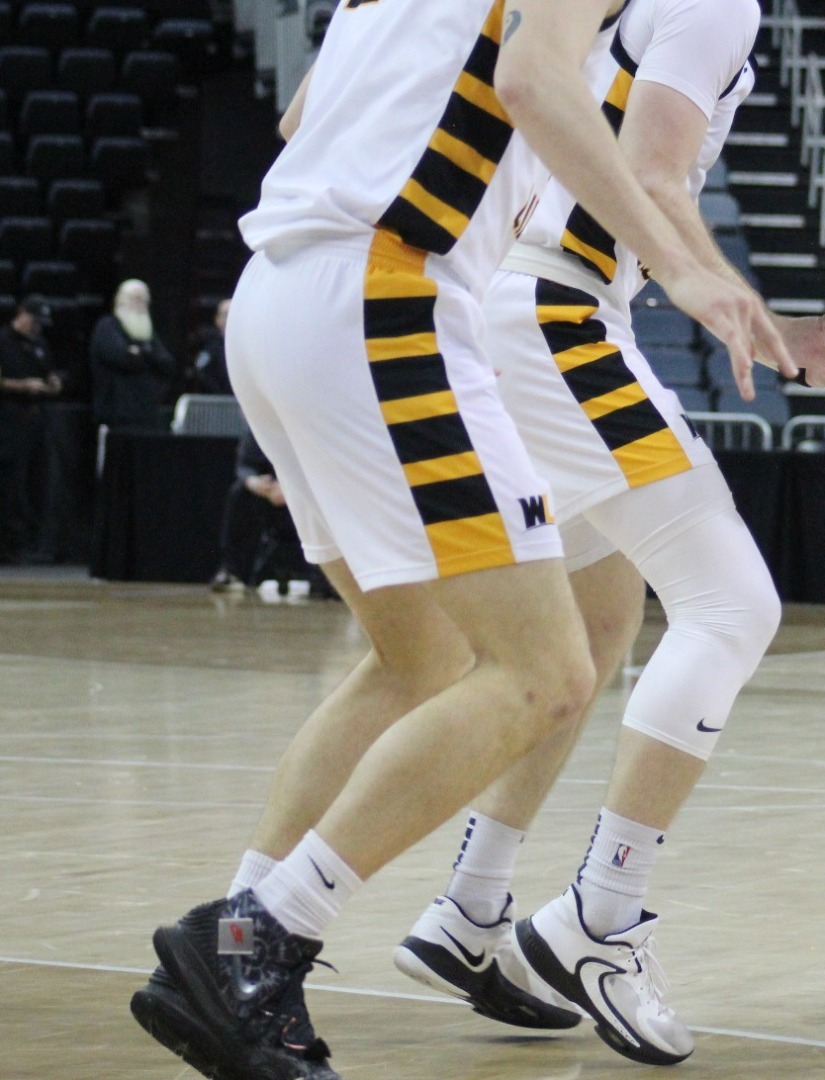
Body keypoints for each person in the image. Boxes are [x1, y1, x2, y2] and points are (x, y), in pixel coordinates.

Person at [127, 2, 790, 1078]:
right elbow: (533, 79)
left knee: (420, 660)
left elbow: (301, 115)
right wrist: (681, 263)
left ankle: (244, 956)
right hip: (388, 293)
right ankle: (257, 940)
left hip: (277, 297)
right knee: (544, 672)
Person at [387, 0, 825, 1064]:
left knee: (595, 632)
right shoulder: (721, 2)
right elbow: (654, 175)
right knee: (733, 604)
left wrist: (773, 325)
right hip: (560, 320)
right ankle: (600, 919)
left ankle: (472, 906)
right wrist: (730, 300)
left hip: (518, 312)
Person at [0, 295, 63, 561]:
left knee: (34, 480)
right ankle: (8, 544)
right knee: (10, 479)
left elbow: (49, 371)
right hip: (9, 416)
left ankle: (31, 542)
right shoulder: (3, 341)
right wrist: (23, 385)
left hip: (36, 417)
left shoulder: (39, 343)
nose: (37, 326)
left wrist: (53, 382)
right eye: (34, 320)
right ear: (21, 313)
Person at [211, 429, 296, 591]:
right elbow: (243, 466)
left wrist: (291, 487)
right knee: (238, 494)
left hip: (305, 492)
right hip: (268, 492)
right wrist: (254, 482)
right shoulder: (257, 426)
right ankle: (231, 571)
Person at [90, 279, 177, 430]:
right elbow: (123, 357)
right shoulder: (107, 326)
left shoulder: (149, 335)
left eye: (145, 300)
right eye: (136, 299)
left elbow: (167, 363)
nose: (141, 304)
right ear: (120, 300)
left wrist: (141, 353)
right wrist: (147, 356)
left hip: (146, 413)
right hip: (116, 415)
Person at [186, 298, 232, 396]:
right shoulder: (210, 349)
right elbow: (201, 375)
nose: (229, 318)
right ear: (217, 319)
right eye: (225, 314)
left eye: (233, 314)